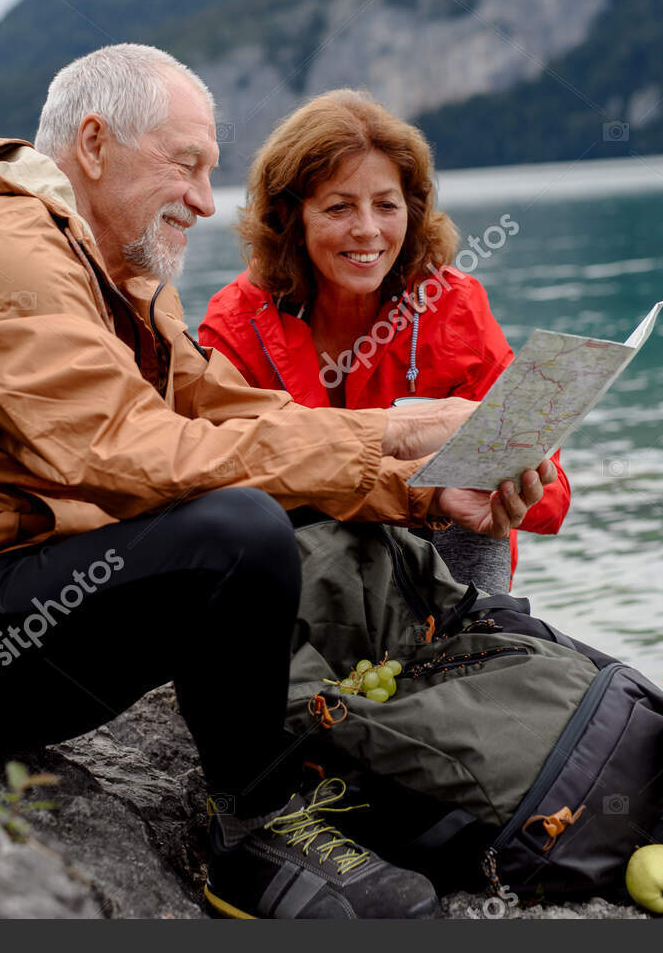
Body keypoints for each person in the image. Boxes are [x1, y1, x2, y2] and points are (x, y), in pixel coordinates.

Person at [0, 44, 559, 920]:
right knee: (233, 533)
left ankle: (351, 789)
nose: (206, 199)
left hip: (12, 591)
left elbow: (236, 413)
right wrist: (391, 448)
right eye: (187, 164)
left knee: (248, 522)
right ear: (94, 143)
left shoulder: (111, 271)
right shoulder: (0, 255)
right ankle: (251, 828)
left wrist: (420, 467)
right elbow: (131, 451)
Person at [199, 90, 570, 594]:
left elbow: (552, 499)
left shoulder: (453, 306)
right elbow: (219, 481)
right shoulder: (236, 321)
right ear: (289, 217)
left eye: (386, 205)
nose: (368, 231)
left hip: (436, 583)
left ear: (411, 211)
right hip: (298, 582)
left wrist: (517, 481)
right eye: (339, 207)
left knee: (476, 524)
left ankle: (466, 650)